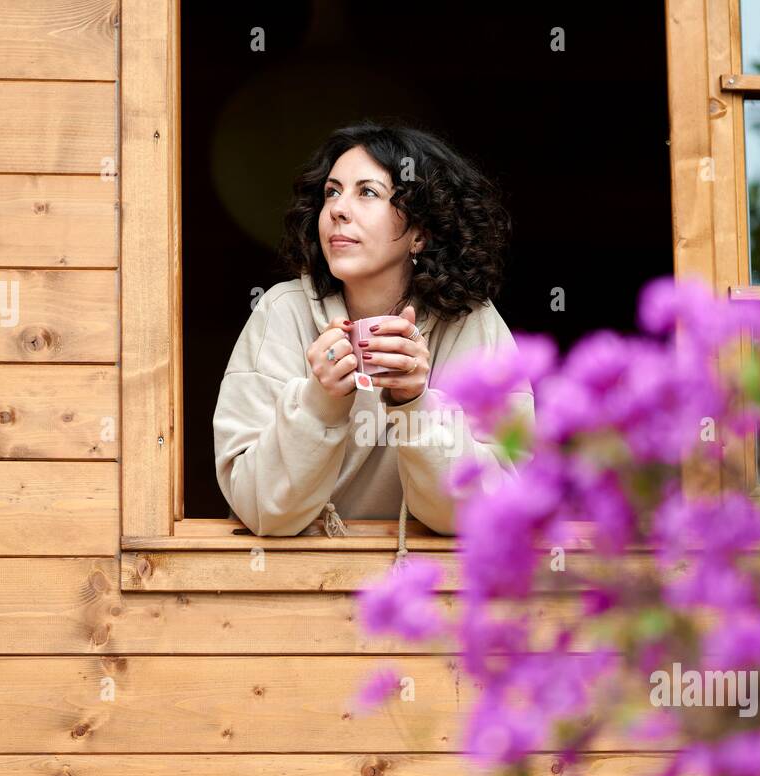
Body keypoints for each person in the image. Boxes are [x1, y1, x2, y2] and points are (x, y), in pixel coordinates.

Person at [213, 122, 535, 553]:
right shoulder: (281, 312)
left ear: (420, 233)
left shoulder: (471, 322)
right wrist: (320, 401)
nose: (338, 210)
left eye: (367, 192)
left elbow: (491, 512)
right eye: (332, 192)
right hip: (300, 580)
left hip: (429, 584)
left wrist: (415, 404)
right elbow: (262, 509)